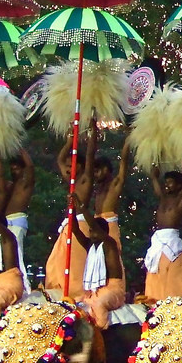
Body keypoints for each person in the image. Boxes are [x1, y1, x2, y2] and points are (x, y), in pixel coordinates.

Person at [46, 135, 95, 301]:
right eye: (67, 167)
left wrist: (93, 132)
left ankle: (77, 295)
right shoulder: (71, 180)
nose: (66, 169)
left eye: (70, 166)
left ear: (79, 166)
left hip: (80, 223)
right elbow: (60, 160)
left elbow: (90, 155)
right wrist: (69, 140)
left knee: (74, 265)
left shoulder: (85, 179)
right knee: (55, 263)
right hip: (69, 224)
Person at [70, 194, 126, 329]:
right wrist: (72, 210)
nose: (91, 234)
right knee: (75, 304)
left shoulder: (109, 243)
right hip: (95, 291)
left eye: (94, 231)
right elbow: (75, 230)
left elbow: (95, 226)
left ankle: (99, 331)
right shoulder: (90, 245)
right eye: (90, 231)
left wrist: (83, 208)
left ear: (103, 232)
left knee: (98, 303)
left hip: (113, 290)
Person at [144, 161, 182, 302]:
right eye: (166, 182)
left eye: (170, 182)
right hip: (158, 241)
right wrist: (154, 175)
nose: (167, 185)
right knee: (154, 278)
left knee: (174, 282)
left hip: (172, 241)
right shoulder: (163, 198)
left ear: (179, 185)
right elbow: (155, 182)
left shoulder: (181, 198)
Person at [91, 134, 131, 280]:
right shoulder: (97, 188)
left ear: (107, 170)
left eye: (98, 171)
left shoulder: (115, 184)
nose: (95, 175)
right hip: (96, 226)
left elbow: (124, 162)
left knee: (112, 257)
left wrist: (128, 140)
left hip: (109, 224)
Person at [2, 149, 35, 294]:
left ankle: (24, 288)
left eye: (17, 169)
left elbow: (30, 167)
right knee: (7, 256)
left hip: (17, 220)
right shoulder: (12, 185)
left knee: (17, 254)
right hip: (7, 222)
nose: (14, 172)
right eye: (12, 169)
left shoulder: (26, 183)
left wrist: (20, 148)